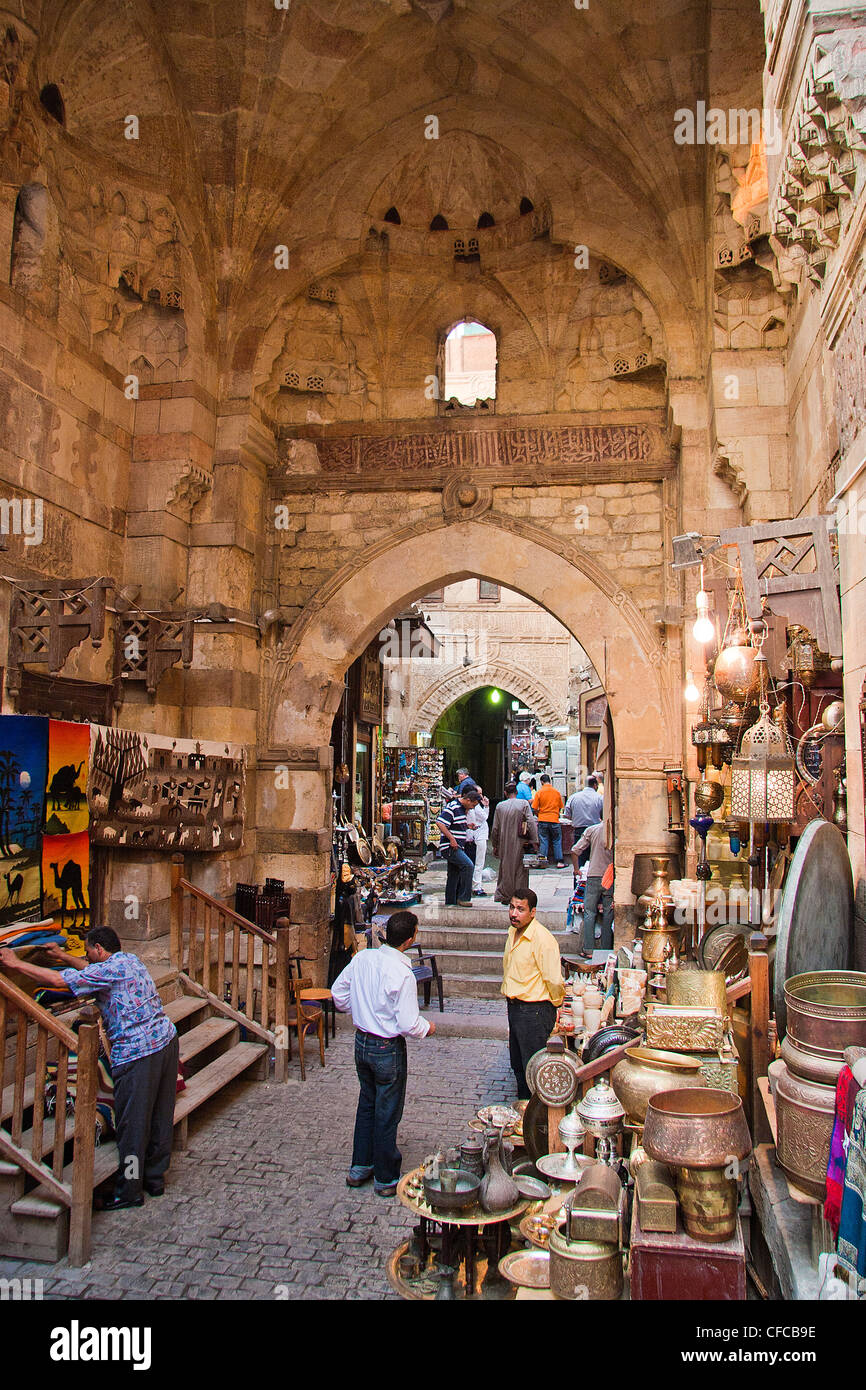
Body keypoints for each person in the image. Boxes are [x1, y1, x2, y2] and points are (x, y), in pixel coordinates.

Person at [0, 926, 179, 1210]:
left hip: (138, 1052)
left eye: (88, 952)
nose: (87, 957)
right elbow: (89, 971)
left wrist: (14, 963)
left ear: (98, 949)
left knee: (132, 1125)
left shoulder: (106, 970)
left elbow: (59, 980)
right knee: (159, 1114)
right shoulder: (128, 961)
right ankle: (154, 1179)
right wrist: (62, 954)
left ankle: (130, 1190)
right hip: (166, 1041)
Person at [331, 911, 436, 1197]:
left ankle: (360, 1166)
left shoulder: (364, 958)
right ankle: (386, 1176)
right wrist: (428, 1028)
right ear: (411, 939)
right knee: (387, 1110)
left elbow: (338, 993)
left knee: (367, 1102)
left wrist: (361, 1010)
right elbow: (407, 1023)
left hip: (362, 1043)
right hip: (386, 1049)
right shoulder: (403, 972)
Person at [501, 889, 565, 1100]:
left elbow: (554, 979)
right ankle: (523, 1110)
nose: (514, 913)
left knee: (534, 1068)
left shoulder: (543, 939)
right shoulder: (513, 933)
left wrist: (556, 1004)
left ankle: (536, 1121)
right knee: (518, 1065)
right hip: (515, 1008)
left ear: (533, 912)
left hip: (534, 1011)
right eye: (512, 907)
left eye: (520, 909)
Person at [569, 820, 614, 957]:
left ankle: (588, 949)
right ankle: (606, 950)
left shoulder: (592, 830)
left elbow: (575, 850)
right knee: (608, 914)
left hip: (594, 874)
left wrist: (576, 870)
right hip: (610, 876)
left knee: (589, 912)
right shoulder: (616, 830)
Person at [491, 780, 538, 904]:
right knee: (520, 870)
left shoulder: (500, 806)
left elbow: (495, 828)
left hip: (504, 841)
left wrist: (495, 845)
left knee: (506, 868)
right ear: (516, 792)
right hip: (521, 841)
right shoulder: (523, 804)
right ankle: (520, 895)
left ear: (506, 793)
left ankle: (506, 895)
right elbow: (531, 822)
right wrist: (534, 840)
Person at [436, 787, 482, 907]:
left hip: (458, 846)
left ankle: (451, 900)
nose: (473, 808)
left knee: (453, 874)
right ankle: (464, 897)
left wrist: (467, 826)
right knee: (468, 866)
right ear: (468, 800)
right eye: (473, 805)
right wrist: (451, 839)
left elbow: (455, 824)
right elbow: (440, 822)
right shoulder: (454, 807)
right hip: (451, 847)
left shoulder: (461, 809)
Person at [564, 774, 603, 870]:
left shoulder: (574, 797)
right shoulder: (599, 798)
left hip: (579, 831)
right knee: (594, 860)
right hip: (596, 831)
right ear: (595, 785)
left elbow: (567, 815)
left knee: (579, 857)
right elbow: (604, 815)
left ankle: (578, 879)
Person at [531, 774, 566, 868]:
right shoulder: (556, 792)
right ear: (550, 781)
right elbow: (560, 807)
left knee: (544, 840)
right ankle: (560, 862)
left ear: (542, 782)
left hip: (543, 819)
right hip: (554, 819)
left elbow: (534, 808)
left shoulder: (539, 792)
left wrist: (539, 814)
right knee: (557, 840)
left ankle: (543, 862)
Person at [468, 785, 490, 897]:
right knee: (478, 862)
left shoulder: (476, 806)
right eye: (479, 794)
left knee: (478, 862)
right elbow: (484, 817)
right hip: (478, 836)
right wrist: (486, 806)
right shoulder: (475, 807)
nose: (481, 796)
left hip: (478, 835)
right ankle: (476, 886)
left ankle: (475, 884)